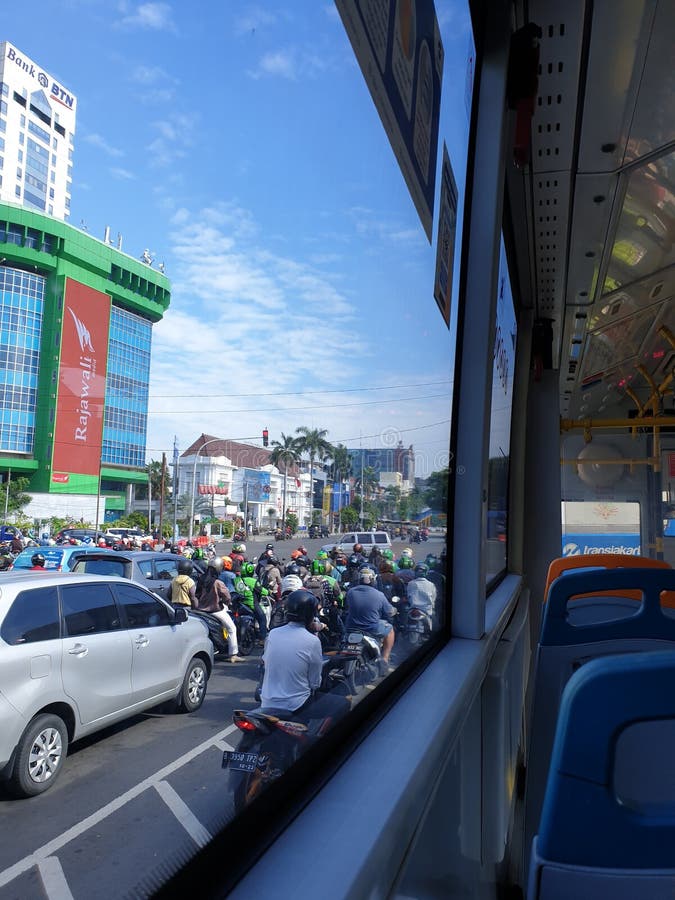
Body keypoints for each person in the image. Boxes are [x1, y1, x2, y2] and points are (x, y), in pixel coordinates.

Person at [260, 589, 351, 724]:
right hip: (296, 705)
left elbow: (266, 662)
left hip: (267, 702)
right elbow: (314, 683)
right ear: (310, 615)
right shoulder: (312, 641)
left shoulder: (273, 633)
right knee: (344, 703)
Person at [344, 569, 396, 666]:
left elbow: (346, 607)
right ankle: (385, 658)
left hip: (351, 628)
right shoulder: (379, 595)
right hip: (371, 629)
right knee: (390, 629)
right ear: (373, 580)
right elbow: (389, 612)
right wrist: (394, 611)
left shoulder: (351, 592)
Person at [196, 558, 244, 662]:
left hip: (200, 610)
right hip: (215, 611)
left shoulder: (201, 579)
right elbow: (227, 596)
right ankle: (233, 654)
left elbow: (197, 594)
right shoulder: (218, 583)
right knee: (232, 629)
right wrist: (227, 603)